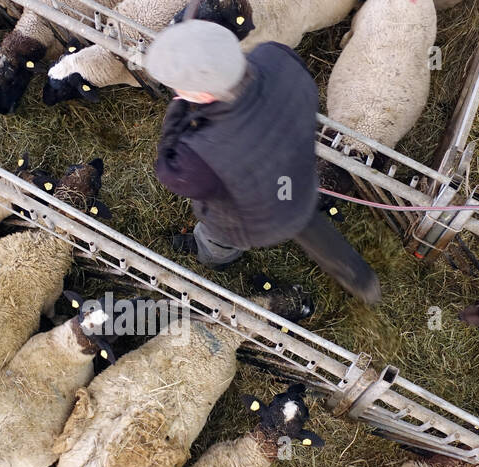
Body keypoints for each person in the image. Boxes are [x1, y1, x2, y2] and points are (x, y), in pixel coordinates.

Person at [145, 19, 381, 304]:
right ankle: (361, 279)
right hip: (297, 178)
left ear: (204, 94)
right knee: (303, 219)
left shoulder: (200, 157)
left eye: (178, 87)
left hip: (252, 220)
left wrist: (179, 106)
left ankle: (215, 259)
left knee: (218, 235)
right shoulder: (277, 56)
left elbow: (170, 172)